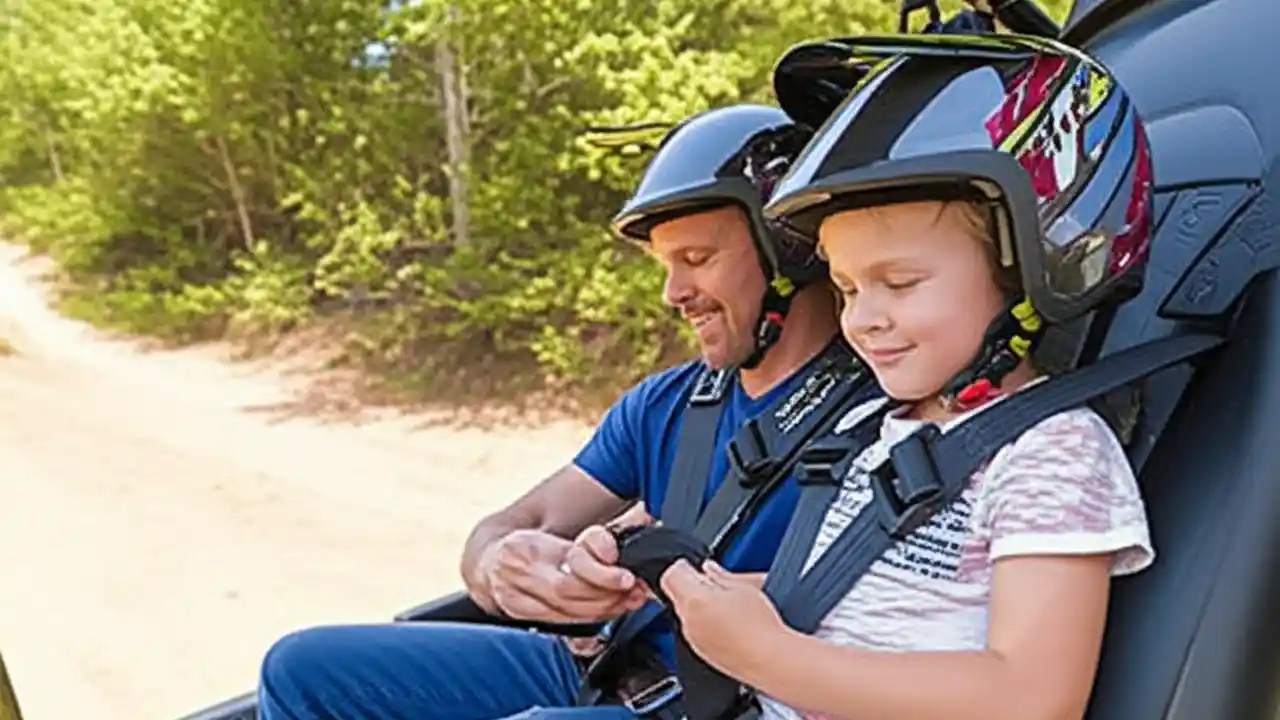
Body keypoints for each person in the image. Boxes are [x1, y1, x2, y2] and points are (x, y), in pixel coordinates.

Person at [255, 103, 871, 720]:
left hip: (742, 704)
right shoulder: (668, 405)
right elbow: (509, 526)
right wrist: (504, 567)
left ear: (790, 251)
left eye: (697, 259)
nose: (673, 293)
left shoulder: (883, 415)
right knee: (300, 670)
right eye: (666, 266)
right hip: (606, 666)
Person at [657, 38, 1157, 720]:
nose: (862, 320)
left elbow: (1032, 698)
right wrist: (704, 593)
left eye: (898, 282)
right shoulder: (876, 427)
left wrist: (764, 656)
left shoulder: (1052, 453)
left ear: (1028, 270)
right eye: (847, 289)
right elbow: (854, 601)